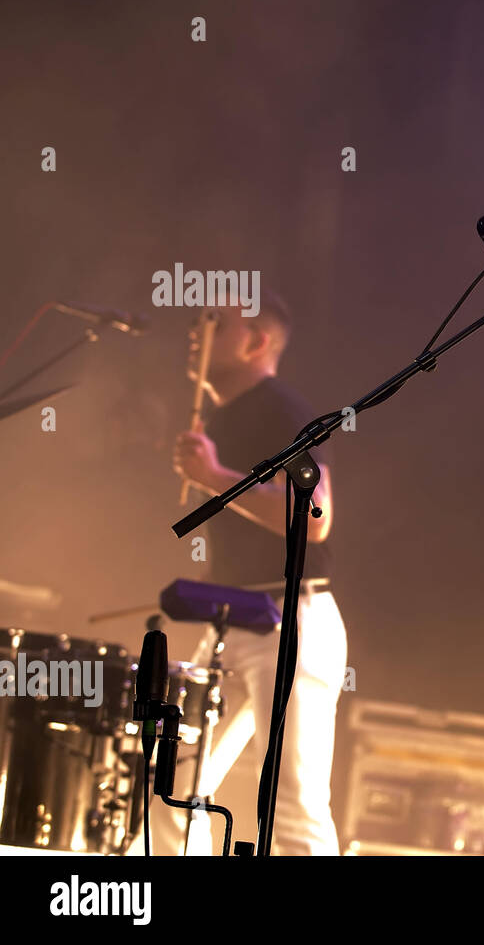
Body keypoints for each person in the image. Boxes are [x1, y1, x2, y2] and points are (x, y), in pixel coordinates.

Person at [164, 290, 346, 855]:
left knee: (292, 806)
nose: (198, 328)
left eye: (216, 321)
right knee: (171, 788)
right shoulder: (224, 414)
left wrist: (215, 476)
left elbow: (314, 516)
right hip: (235, 622)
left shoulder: (281, 410)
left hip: (288, 618)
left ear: (256, 342)